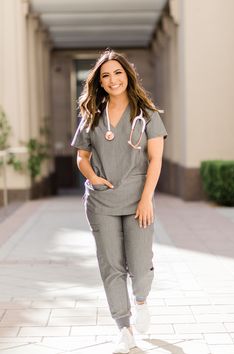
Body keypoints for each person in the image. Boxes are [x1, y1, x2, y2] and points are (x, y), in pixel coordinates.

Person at [71, 48, 167, 353]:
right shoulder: (92, 114)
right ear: (99, 81)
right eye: (105, 75)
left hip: (138, 199)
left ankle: (141, 300)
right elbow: (81, 156)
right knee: (111, 266)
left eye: (118, 73)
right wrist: (92, 177)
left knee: (139, 267)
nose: (113, 80)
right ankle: (123, 328)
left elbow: (155, 160)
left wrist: (146, 199)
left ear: (128, 75)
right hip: (101, 202)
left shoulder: (147, 114)